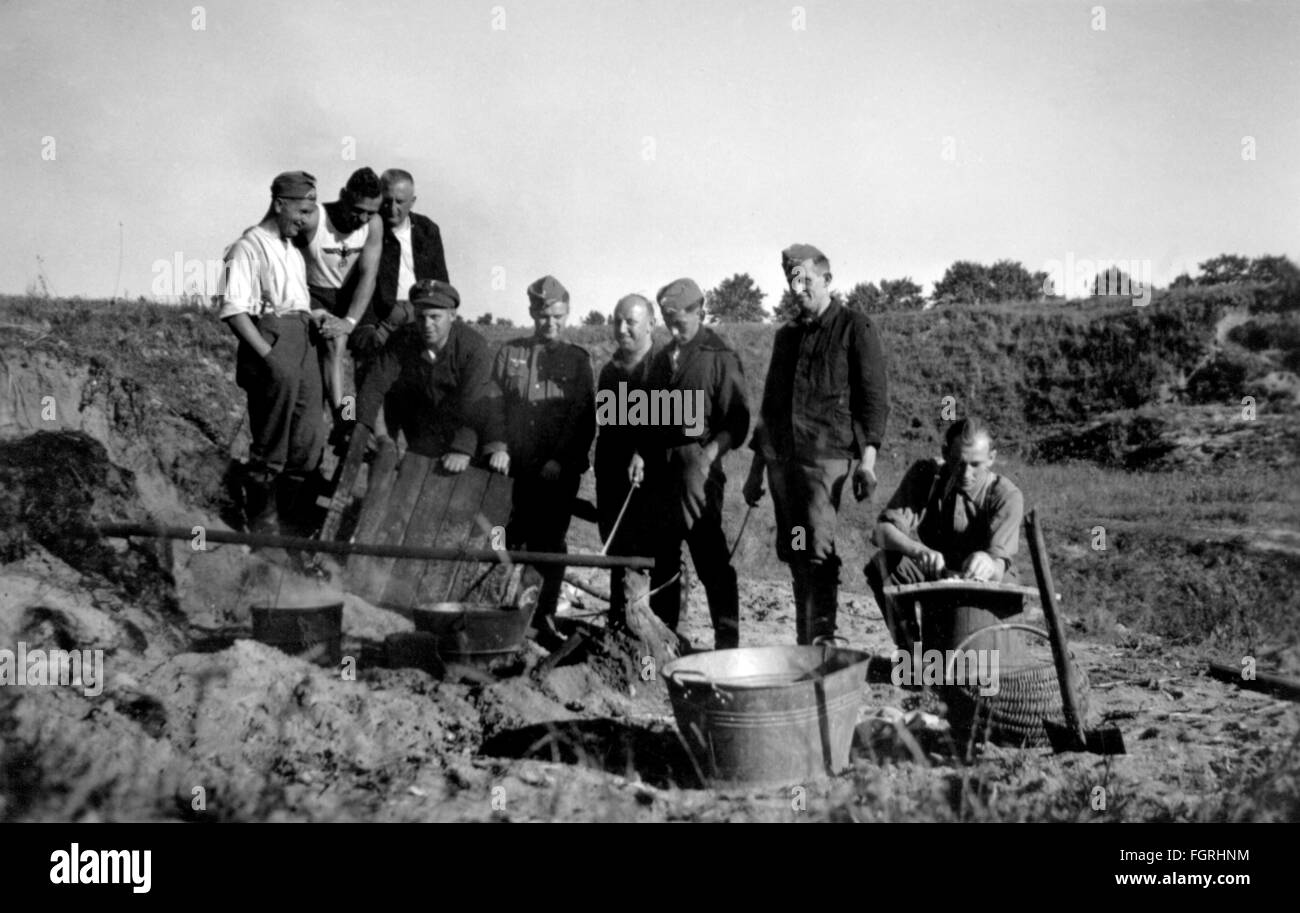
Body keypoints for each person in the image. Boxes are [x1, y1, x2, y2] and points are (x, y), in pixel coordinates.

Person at [743, 243, 890, 644]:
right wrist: (756, 471)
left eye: (806, 279)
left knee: (817, 545)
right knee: (794, 547)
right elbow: (770, 406)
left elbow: (873, 400)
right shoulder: (786, 337)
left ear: (827, 279)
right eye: (792, 279)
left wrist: (868, 461)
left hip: (827, 459)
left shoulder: (855, 328)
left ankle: (823, 639)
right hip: (782, 462)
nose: (798, 286)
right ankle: (805, 640)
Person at [632, 278, 750, 650]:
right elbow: (646, 415)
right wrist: (639, 452)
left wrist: (709, 456)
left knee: (708, 551)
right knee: (663, 555)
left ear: (698, 311)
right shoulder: (660, 359)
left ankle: (727, 642)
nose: (672, 326)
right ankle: (668, 639)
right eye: (666, 318)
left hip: (697, 467)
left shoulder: (720, 356)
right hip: (660, 468)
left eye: (678, 318)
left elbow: (738, 422)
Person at [217, 170, 328, 534]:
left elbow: (292, 300)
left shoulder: (291, 249)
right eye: (299, 211)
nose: (304, 220)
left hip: (303, 342)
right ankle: (263, 535)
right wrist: (269, 356)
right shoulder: (248, 247)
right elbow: (234, 310)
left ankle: (291, 532)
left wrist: (314, 315)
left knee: (308, 443)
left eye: (310, 212)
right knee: (272, 444)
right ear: (279, 204)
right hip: (272, 343)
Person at [866, 417, 1025, 652]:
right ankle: (911, 653)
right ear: (944, 453)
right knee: (883, 564)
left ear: (992, 458)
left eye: (975, 464)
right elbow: (881, 532)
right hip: (940, 574)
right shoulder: (926, 476)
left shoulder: (1006, 495)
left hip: (987, 587)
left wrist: (988, 563)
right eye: (958, 462)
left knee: (975, 668)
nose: (965, 473)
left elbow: (1000, 565)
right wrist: (919, 551)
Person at [493, 276, 595, 640]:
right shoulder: (510, 354)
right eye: (543, 317)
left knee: (548, 544)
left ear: (566, 314)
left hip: (556, 471)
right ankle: (504, 614)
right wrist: (499, 446)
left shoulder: (577, 360)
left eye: (558, 317)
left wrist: (560, 460)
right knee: (507, 537)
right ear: (532, 313)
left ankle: (541, 619)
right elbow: (494, 407)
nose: (551, 324)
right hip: (513, 468)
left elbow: (583, 419)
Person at [353, 279, 508, 473]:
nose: (427, 325)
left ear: (452, 316)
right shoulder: (402, 339)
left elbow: (474, 401)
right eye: (420, 317)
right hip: (421, 425)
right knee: (360, 405)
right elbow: (374, 384)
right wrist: (361, 427)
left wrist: (462, 448)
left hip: (463, 425)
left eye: (435, 317)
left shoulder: (473, 347)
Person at [297, 167, 384, 437]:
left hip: (347, 296)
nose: (362, 218)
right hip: (314, 292)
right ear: (343, 195)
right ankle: (342, 417)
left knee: (358, 355)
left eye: (371, 212)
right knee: (336, 343)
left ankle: (356, 422)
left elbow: (368, 275)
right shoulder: (315, 218)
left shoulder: (373, 224)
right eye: (358, 210)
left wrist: (349, 321)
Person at [594, 294, 662, 630]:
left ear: (651, 324)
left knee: (644, 555)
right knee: (615, 550)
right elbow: (607, 427)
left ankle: (648, 634)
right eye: (617, 320)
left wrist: (643, 452)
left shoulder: (666, 367)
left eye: (630, 322)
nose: (622, 328)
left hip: (652, 480)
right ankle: (619, 625)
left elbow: (674, 423)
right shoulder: (609, 371)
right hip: (612, 475)